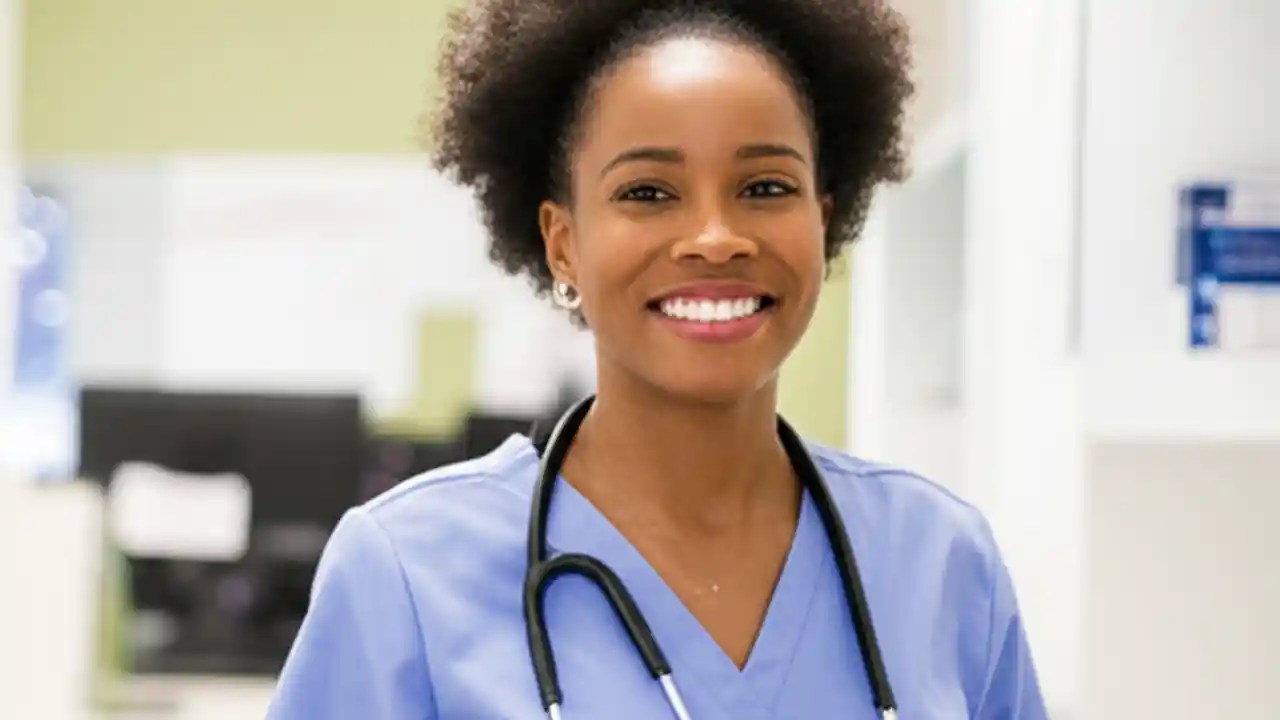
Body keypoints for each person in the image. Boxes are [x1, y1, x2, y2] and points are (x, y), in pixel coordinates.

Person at [268, 1, 1048, 718]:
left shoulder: (944, 565)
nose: (715, 237)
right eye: (648, 192)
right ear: (563, 243)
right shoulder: (407, 573)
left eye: (765, 186)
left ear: (822, 221)